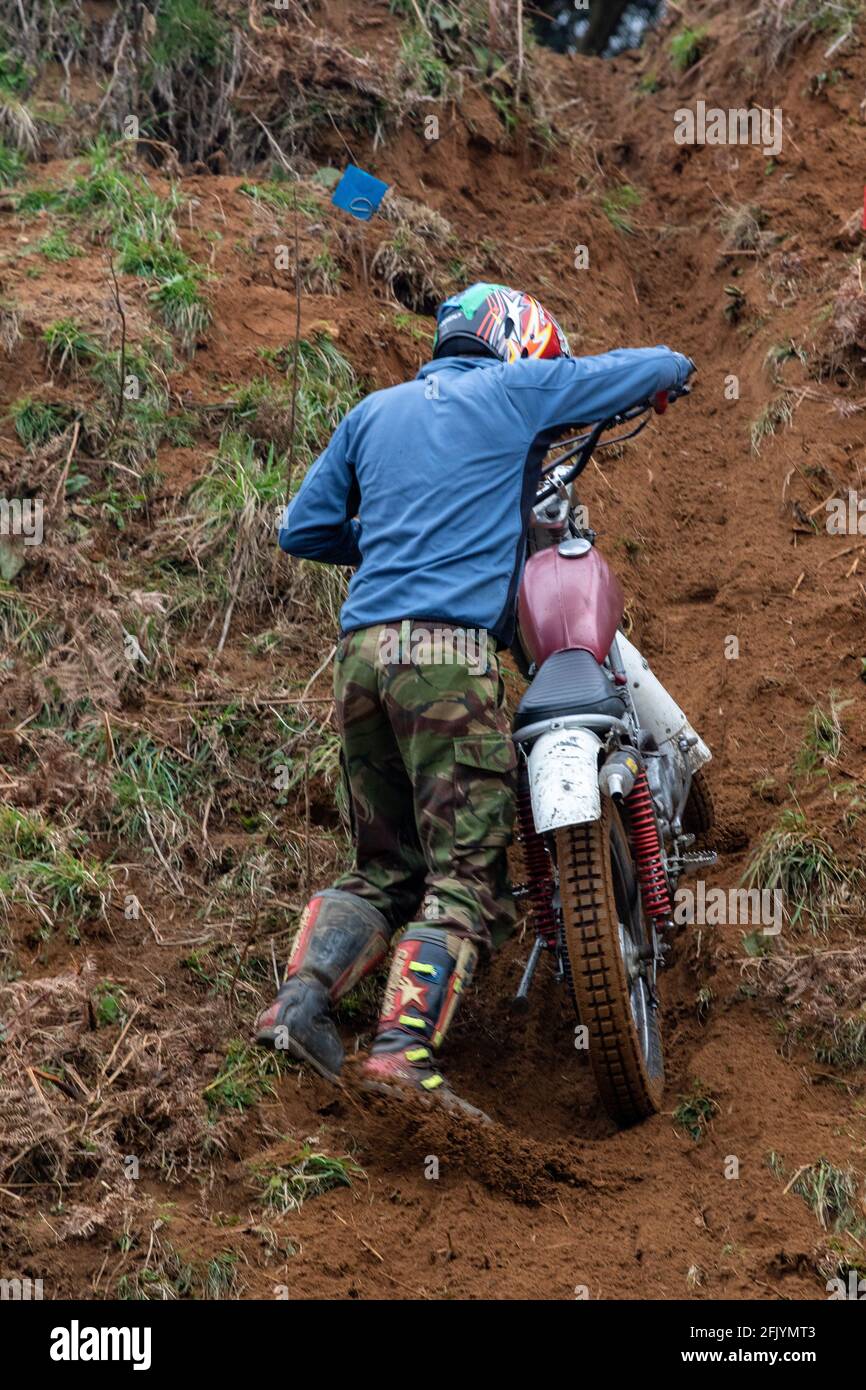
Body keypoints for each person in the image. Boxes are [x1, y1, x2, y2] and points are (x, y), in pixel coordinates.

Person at [255, 282, 693, 1117]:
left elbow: (300, 531)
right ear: (509, 336)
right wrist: (676, 369)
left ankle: (300, 1004)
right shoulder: (515, 389)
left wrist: (390, 534)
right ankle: (402, 1054)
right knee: (465, 875)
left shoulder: (372, 411)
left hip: (359, 657)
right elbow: (621, 372)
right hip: (449, 659)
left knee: (385, 865)